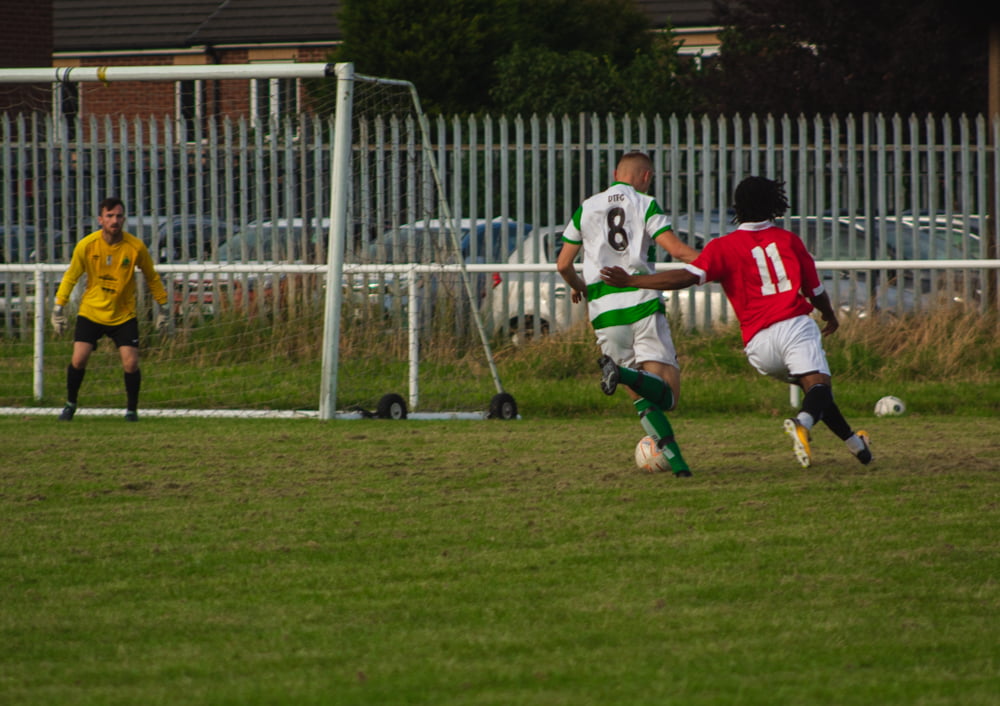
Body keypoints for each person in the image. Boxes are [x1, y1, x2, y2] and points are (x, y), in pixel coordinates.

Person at [600, 176, 872, 468]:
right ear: (775, 205)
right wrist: (829, 315)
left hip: (758, 346)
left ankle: (856, 446)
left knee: (813, 387)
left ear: (737, 207)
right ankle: (802, 424)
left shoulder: (722, 247)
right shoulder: (789, 241)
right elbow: (815, 292)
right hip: (793, 326)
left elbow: (685, 277)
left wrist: (632, 280)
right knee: (818, 386)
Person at [556, 151, 700, 477]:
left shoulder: (587, 207)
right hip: (643, 304)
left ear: (615, 173)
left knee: (643, 397)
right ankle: (620, 374)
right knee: (669, 396)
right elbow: (676, 250)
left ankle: (679, 467)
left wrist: (579, 285)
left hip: (605, 314)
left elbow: (563, 264)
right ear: (646, 177)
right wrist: (712, 261)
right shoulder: (645, 204)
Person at [51, 196, 170, 422]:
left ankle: (132, 411)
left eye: (118, 216)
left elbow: (152, 277)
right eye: (110, 216)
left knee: (131, 362)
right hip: (91, 312)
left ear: (124, 219)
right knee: (78, 359)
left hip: (123, 314)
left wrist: (163, 307)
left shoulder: (135, 247)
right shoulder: (87, 245)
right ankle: (70, 404)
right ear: (100, 219)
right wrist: (58, 308)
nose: (114, 220)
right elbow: (71, 277)